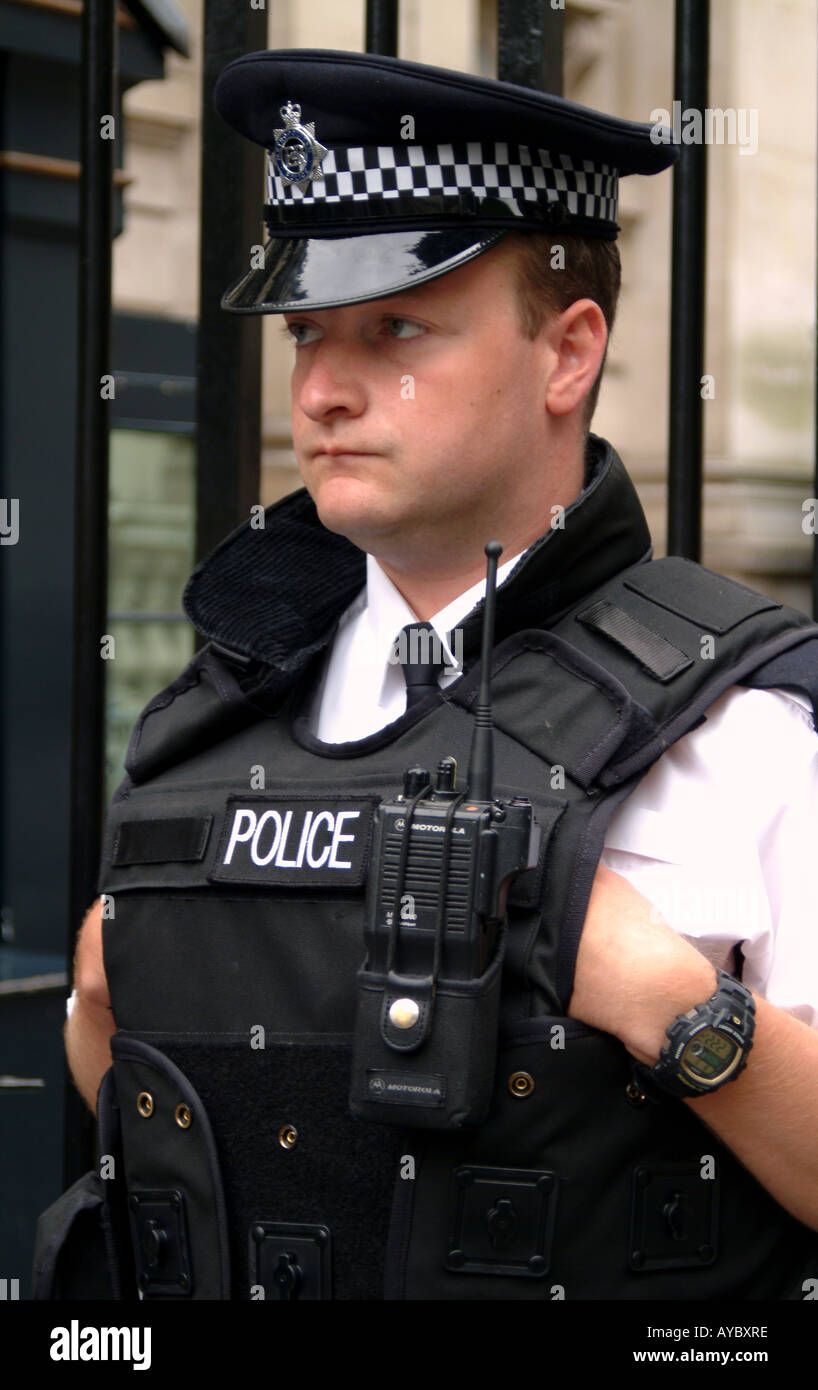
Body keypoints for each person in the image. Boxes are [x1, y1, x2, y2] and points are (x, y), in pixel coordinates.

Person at [54, 49, 818, 1302]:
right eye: (305, 333)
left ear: (567, 354)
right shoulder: (215, 708)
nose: (321, 390)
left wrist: (677, 1009)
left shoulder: (746, 730)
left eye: (394, 329)